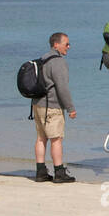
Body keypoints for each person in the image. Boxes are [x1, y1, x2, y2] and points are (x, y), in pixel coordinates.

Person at [34, 32, 77, 183]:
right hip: (52, 106)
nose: (69, 47)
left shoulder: (42, 59)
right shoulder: (58, 62)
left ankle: (40, 171)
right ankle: (59, 172)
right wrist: (70, 108)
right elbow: (62, 87)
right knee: (56, 139)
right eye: (66, 44)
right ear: (56, 44)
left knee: (41, 138)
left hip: (37, 104)